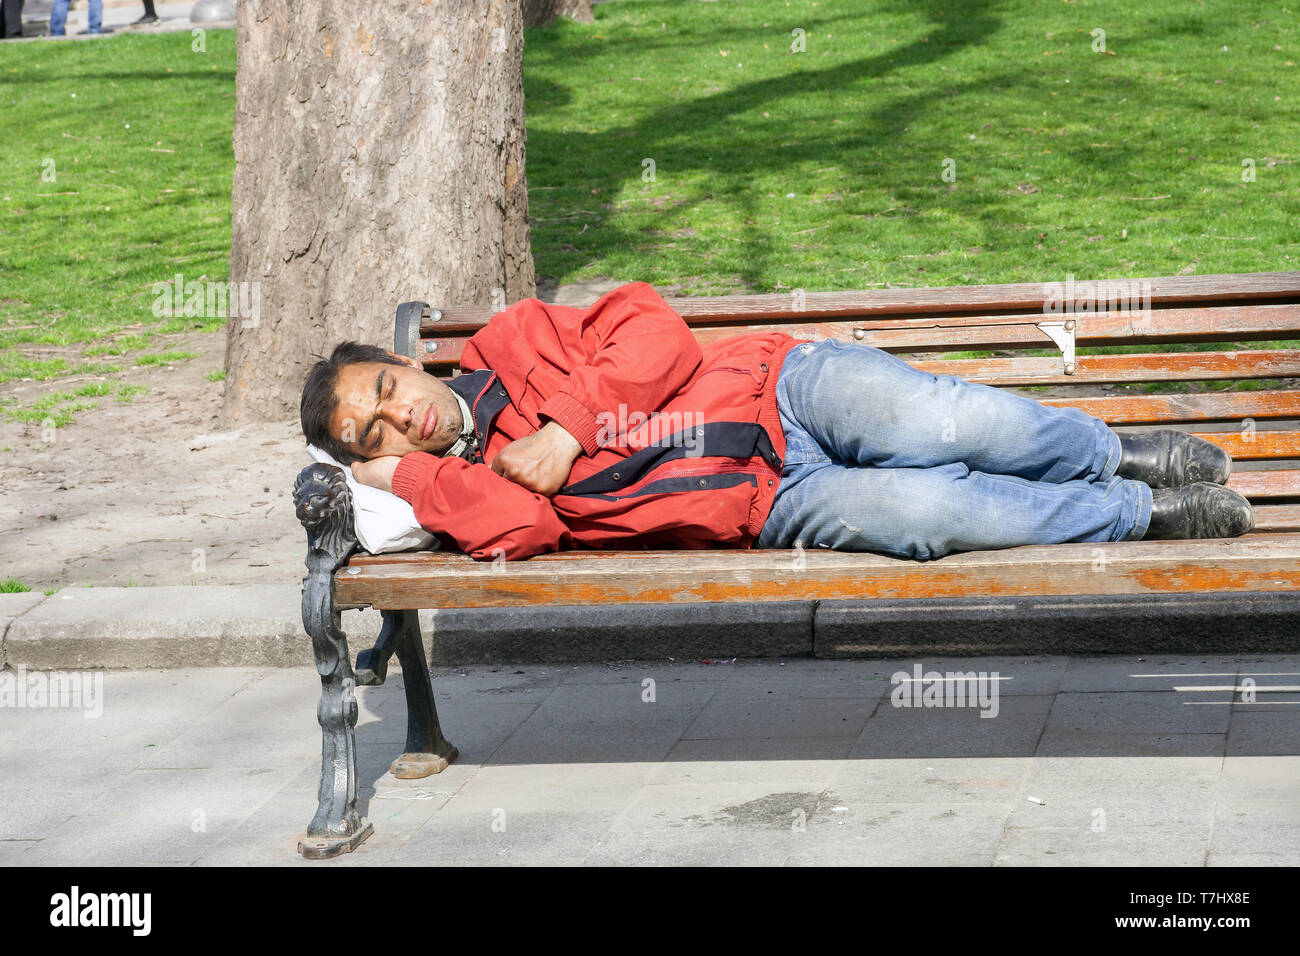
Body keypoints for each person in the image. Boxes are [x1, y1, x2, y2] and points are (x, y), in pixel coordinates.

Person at [299, 281, 1253, 562]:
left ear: (399, 362)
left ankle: (1112, 450)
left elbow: (653, 327)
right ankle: (1136, 513)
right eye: (370, 436)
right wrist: (403, 481)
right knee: (931, 518)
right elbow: (531, 526)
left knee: (946, 423)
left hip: (781, 389)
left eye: (382, 392)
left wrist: (571, 426)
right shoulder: (464, 487)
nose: (399, 419)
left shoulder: (510, 341)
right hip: (771, 503)